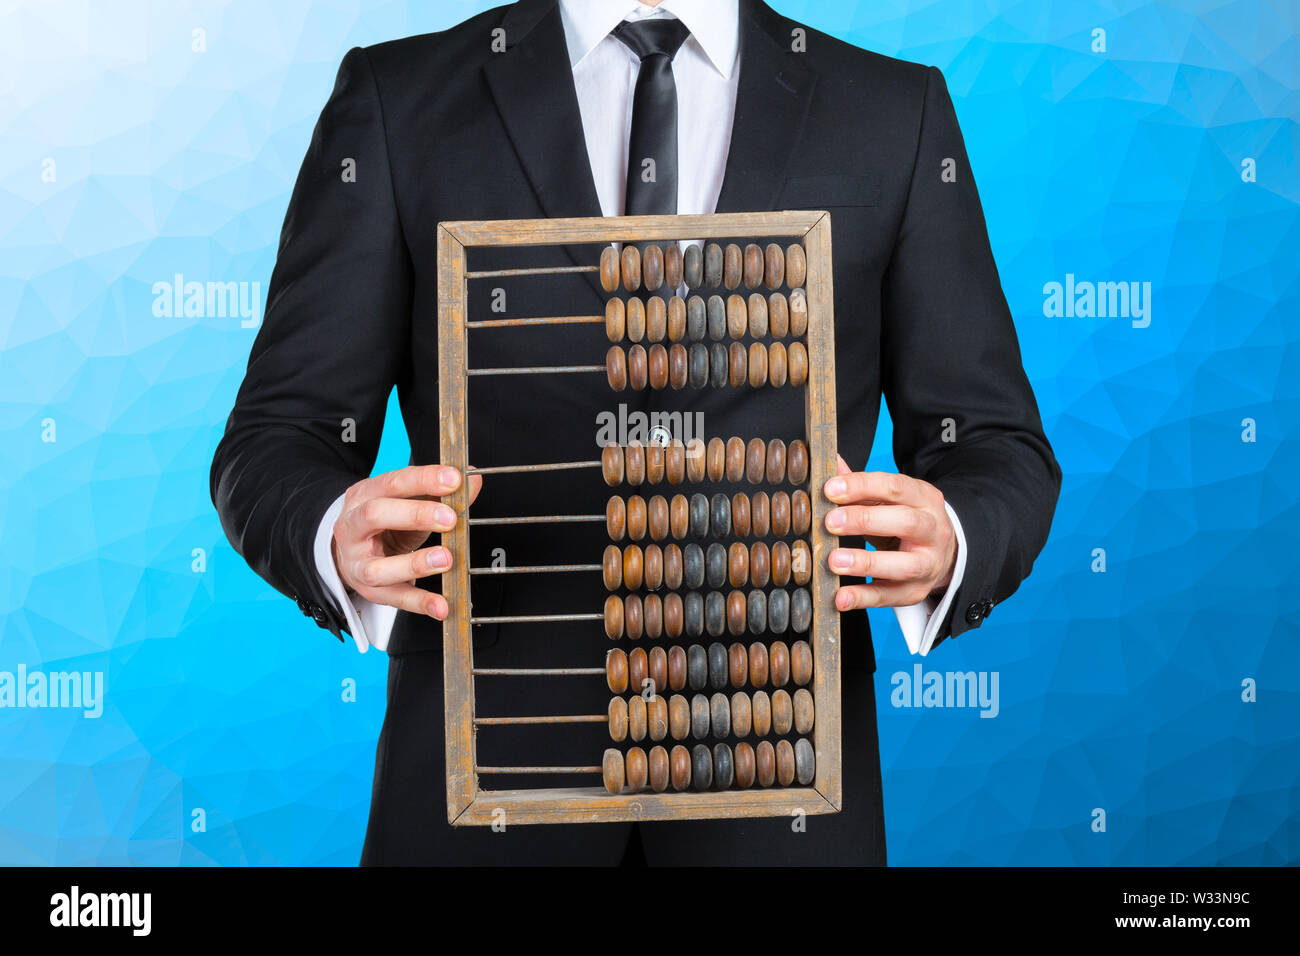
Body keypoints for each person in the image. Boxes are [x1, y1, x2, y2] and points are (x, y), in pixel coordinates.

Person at [211, 0, 1060, 865]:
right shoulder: (400, 98)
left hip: (780, 785)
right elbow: (280, 433)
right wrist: (333, 533)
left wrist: (952, 540)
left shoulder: (892, 111)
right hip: (481, 784)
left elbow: (994, 445)